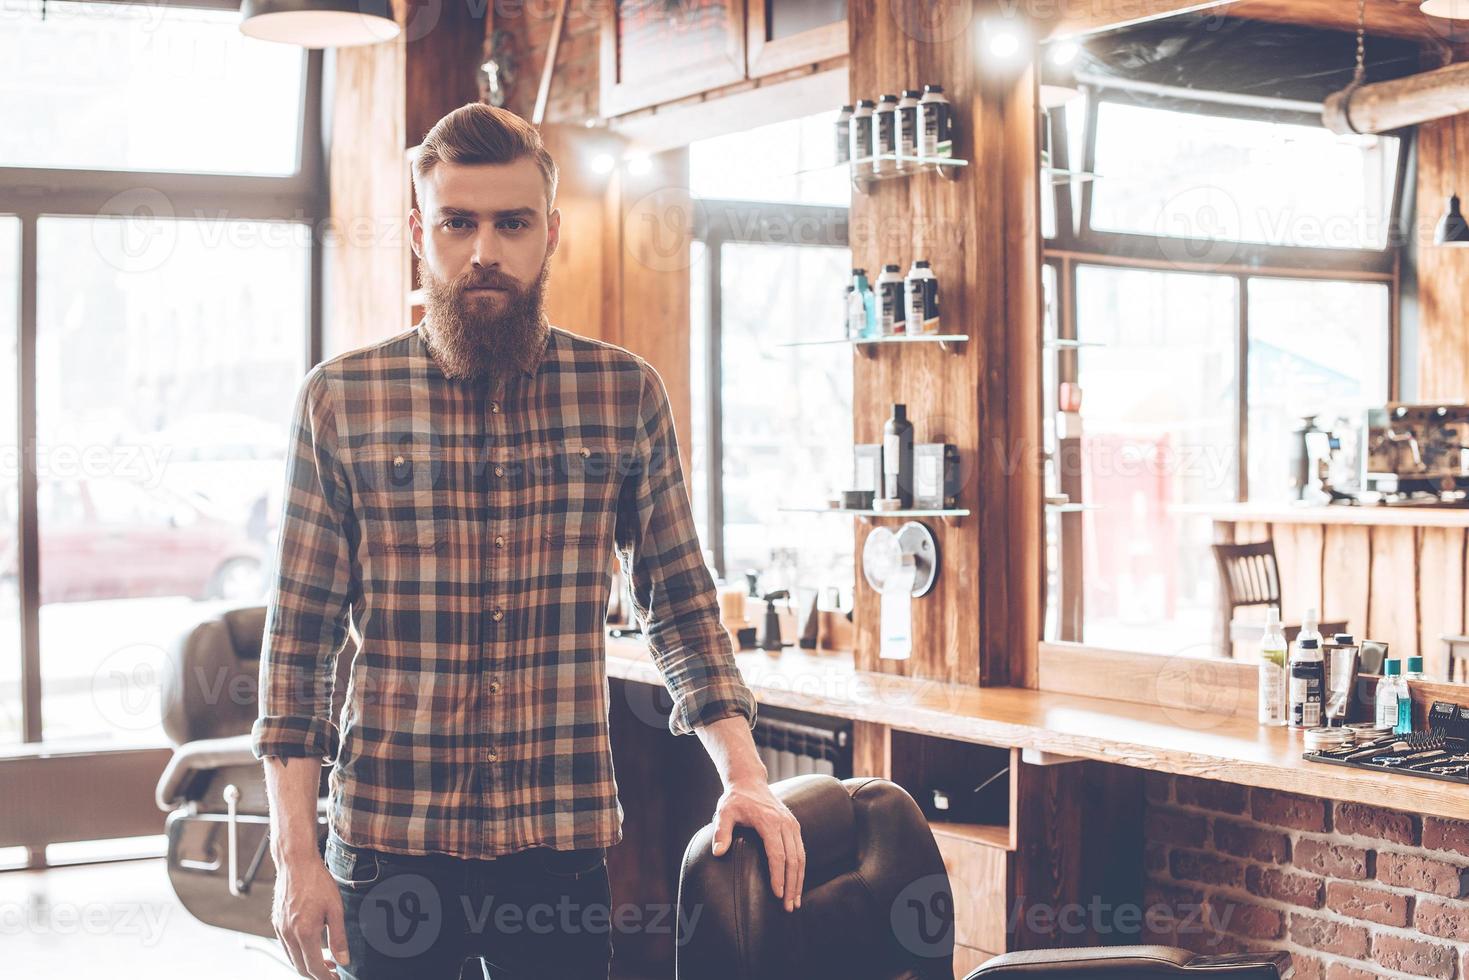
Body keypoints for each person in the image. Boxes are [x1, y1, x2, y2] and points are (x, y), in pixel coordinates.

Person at [251, 103, 804, 980]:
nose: (484, 251)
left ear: (551, 234)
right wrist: (294, 856)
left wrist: (744, 771)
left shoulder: (623, 393)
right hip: (393, 842)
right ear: (416, 233)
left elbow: (681, 603)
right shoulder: (340, 401)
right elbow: (300, 643)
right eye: (457, 222)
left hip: (559, 842)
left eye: (511, 224)